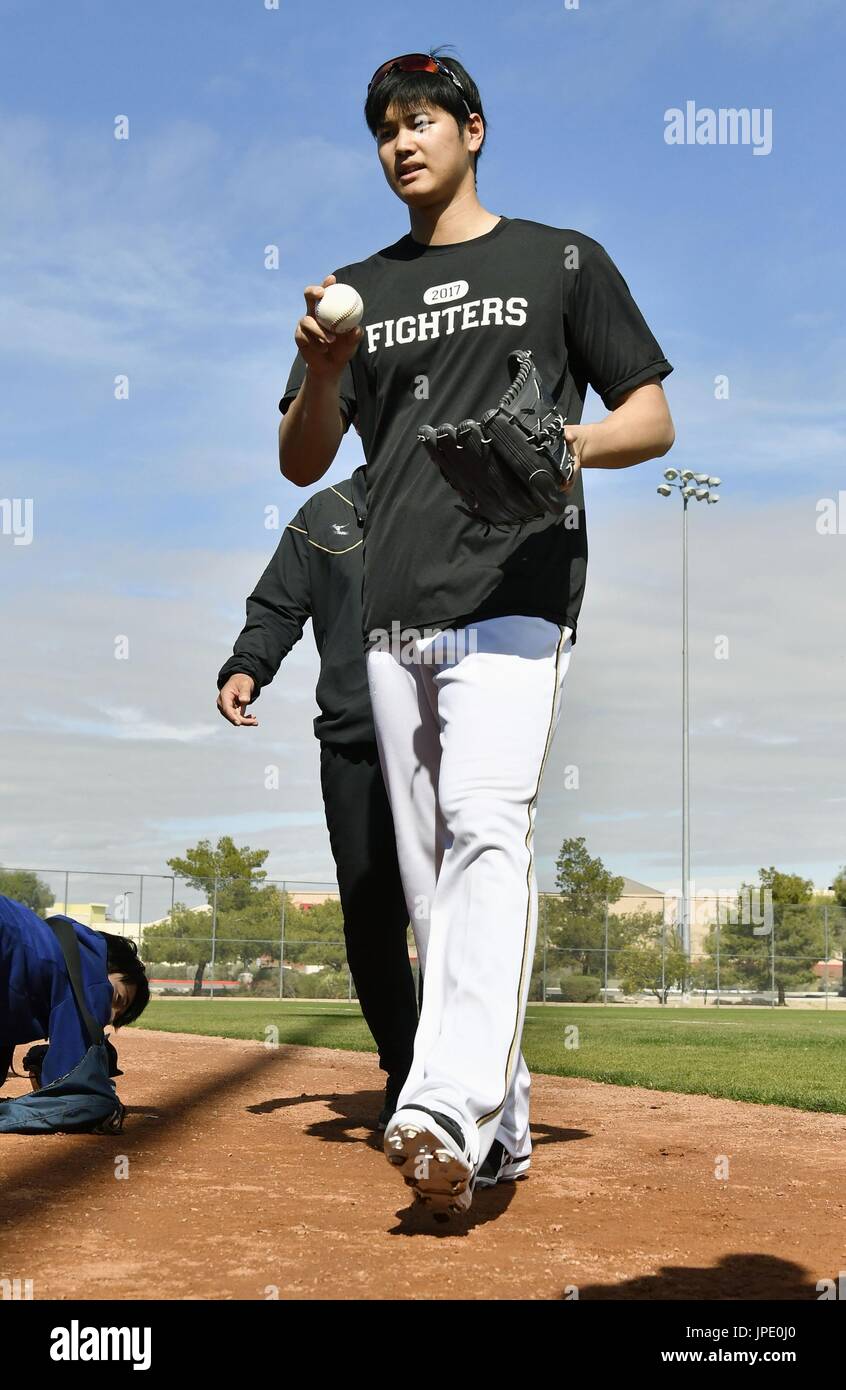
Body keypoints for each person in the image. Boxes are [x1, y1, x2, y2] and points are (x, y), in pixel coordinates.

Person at [277, 48, 675, 1214]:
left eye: (423, 122)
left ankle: (443, 1099)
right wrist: (321, 371)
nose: (403, 143)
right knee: (428, 880)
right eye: (385, 131)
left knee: (486, 824)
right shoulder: (360, 286)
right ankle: (496, 1133)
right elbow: (304, 456)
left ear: (473, 130)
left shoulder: (557, 260)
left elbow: (650, 414)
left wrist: (570, 445)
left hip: (517, 587)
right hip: (396, 608)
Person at [216, 463, 418, 1127]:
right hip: (352, 744)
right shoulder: (324, 516)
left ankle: (457, 1073)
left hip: (438, 742)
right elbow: (277, 606)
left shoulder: (448, 499)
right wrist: (248, 666)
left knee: (451, 909)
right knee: (369, 915)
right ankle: (405, 1066)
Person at [0, 893, 149, 1089]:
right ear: (109, 965)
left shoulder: (54, 944)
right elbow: (68, 1087)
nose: (106, 1015)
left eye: (113, 1019)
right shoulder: (91, 976)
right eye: (117, 998)